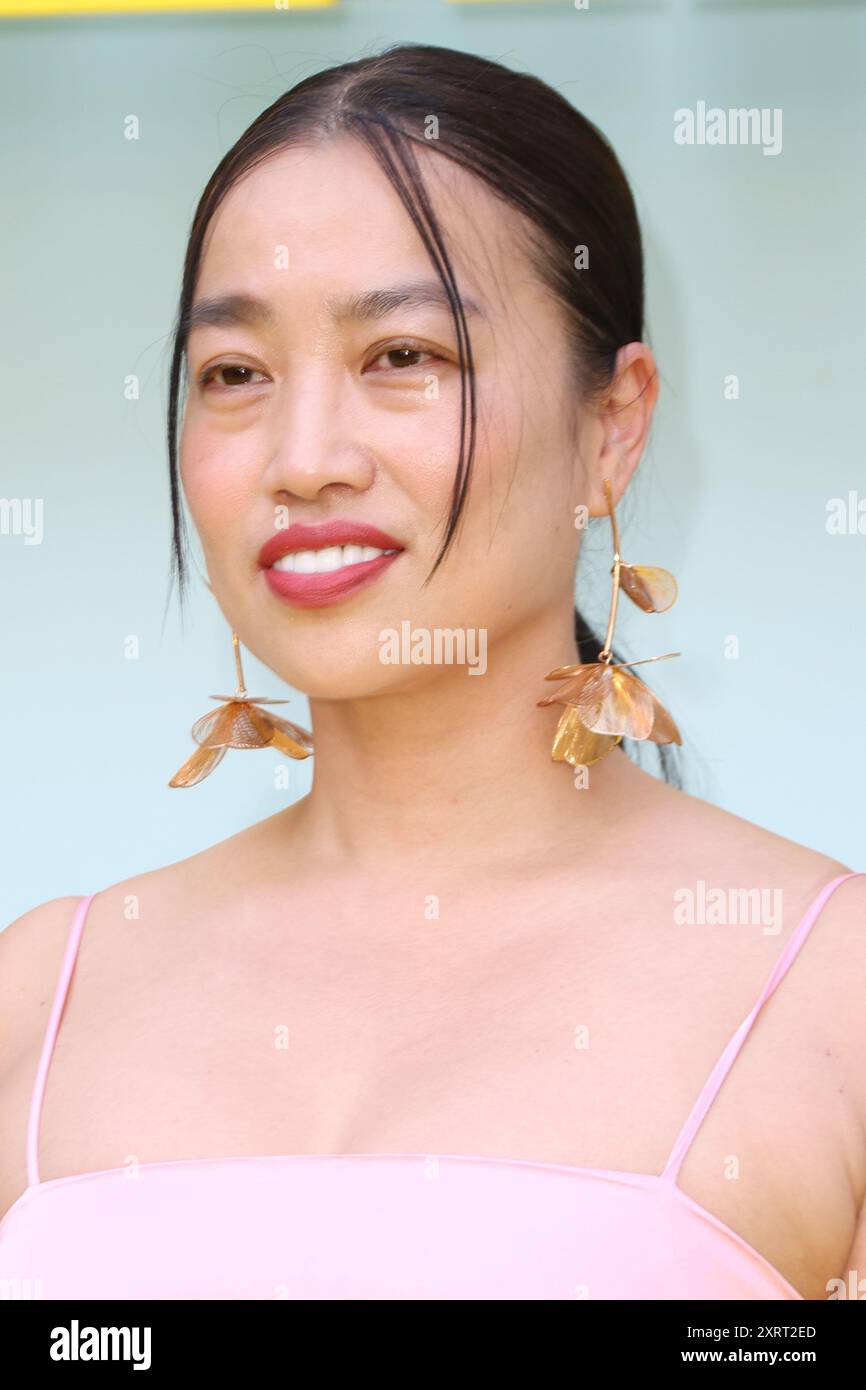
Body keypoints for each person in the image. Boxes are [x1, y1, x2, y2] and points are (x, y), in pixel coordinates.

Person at [1, 43, 863, 1302]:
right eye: (234, 374)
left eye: (402, 355)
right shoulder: (42, 987)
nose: (302, 458)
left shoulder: (830, 990)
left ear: (611, 424)